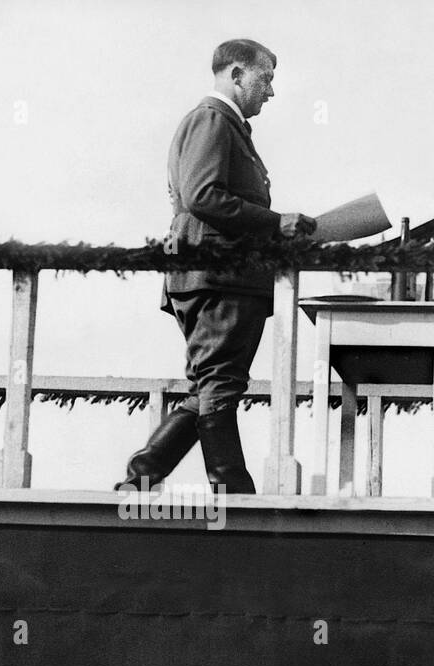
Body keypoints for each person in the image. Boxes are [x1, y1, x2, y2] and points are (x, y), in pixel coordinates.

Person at [116, 38, 315, 495]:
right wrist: (275, 223)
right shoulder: (212, 119)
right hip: (220, 278)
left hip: (219, 276)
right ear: (237, 74)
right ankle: (232, 490)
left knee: (209, 387)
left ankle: (140, 479)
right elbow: (202, 196)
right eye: (266, 79)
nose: (271, 91)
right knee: (220, 385)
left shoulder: (224, 125)